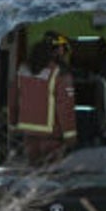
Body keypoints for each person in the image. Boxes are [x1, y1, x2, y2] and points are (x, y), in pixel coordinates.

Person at [13, 31, 76, 163]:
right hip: (52, 138)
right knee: (52, 178)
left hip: (28, 137)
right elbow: (65, 109)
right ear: (58, 49)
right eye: (64, 49)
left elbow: (13, 99)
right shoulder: (60, 73)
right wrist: (71, 137)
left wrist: (13, 126)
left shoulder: (22, 69)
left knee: (34, 176)